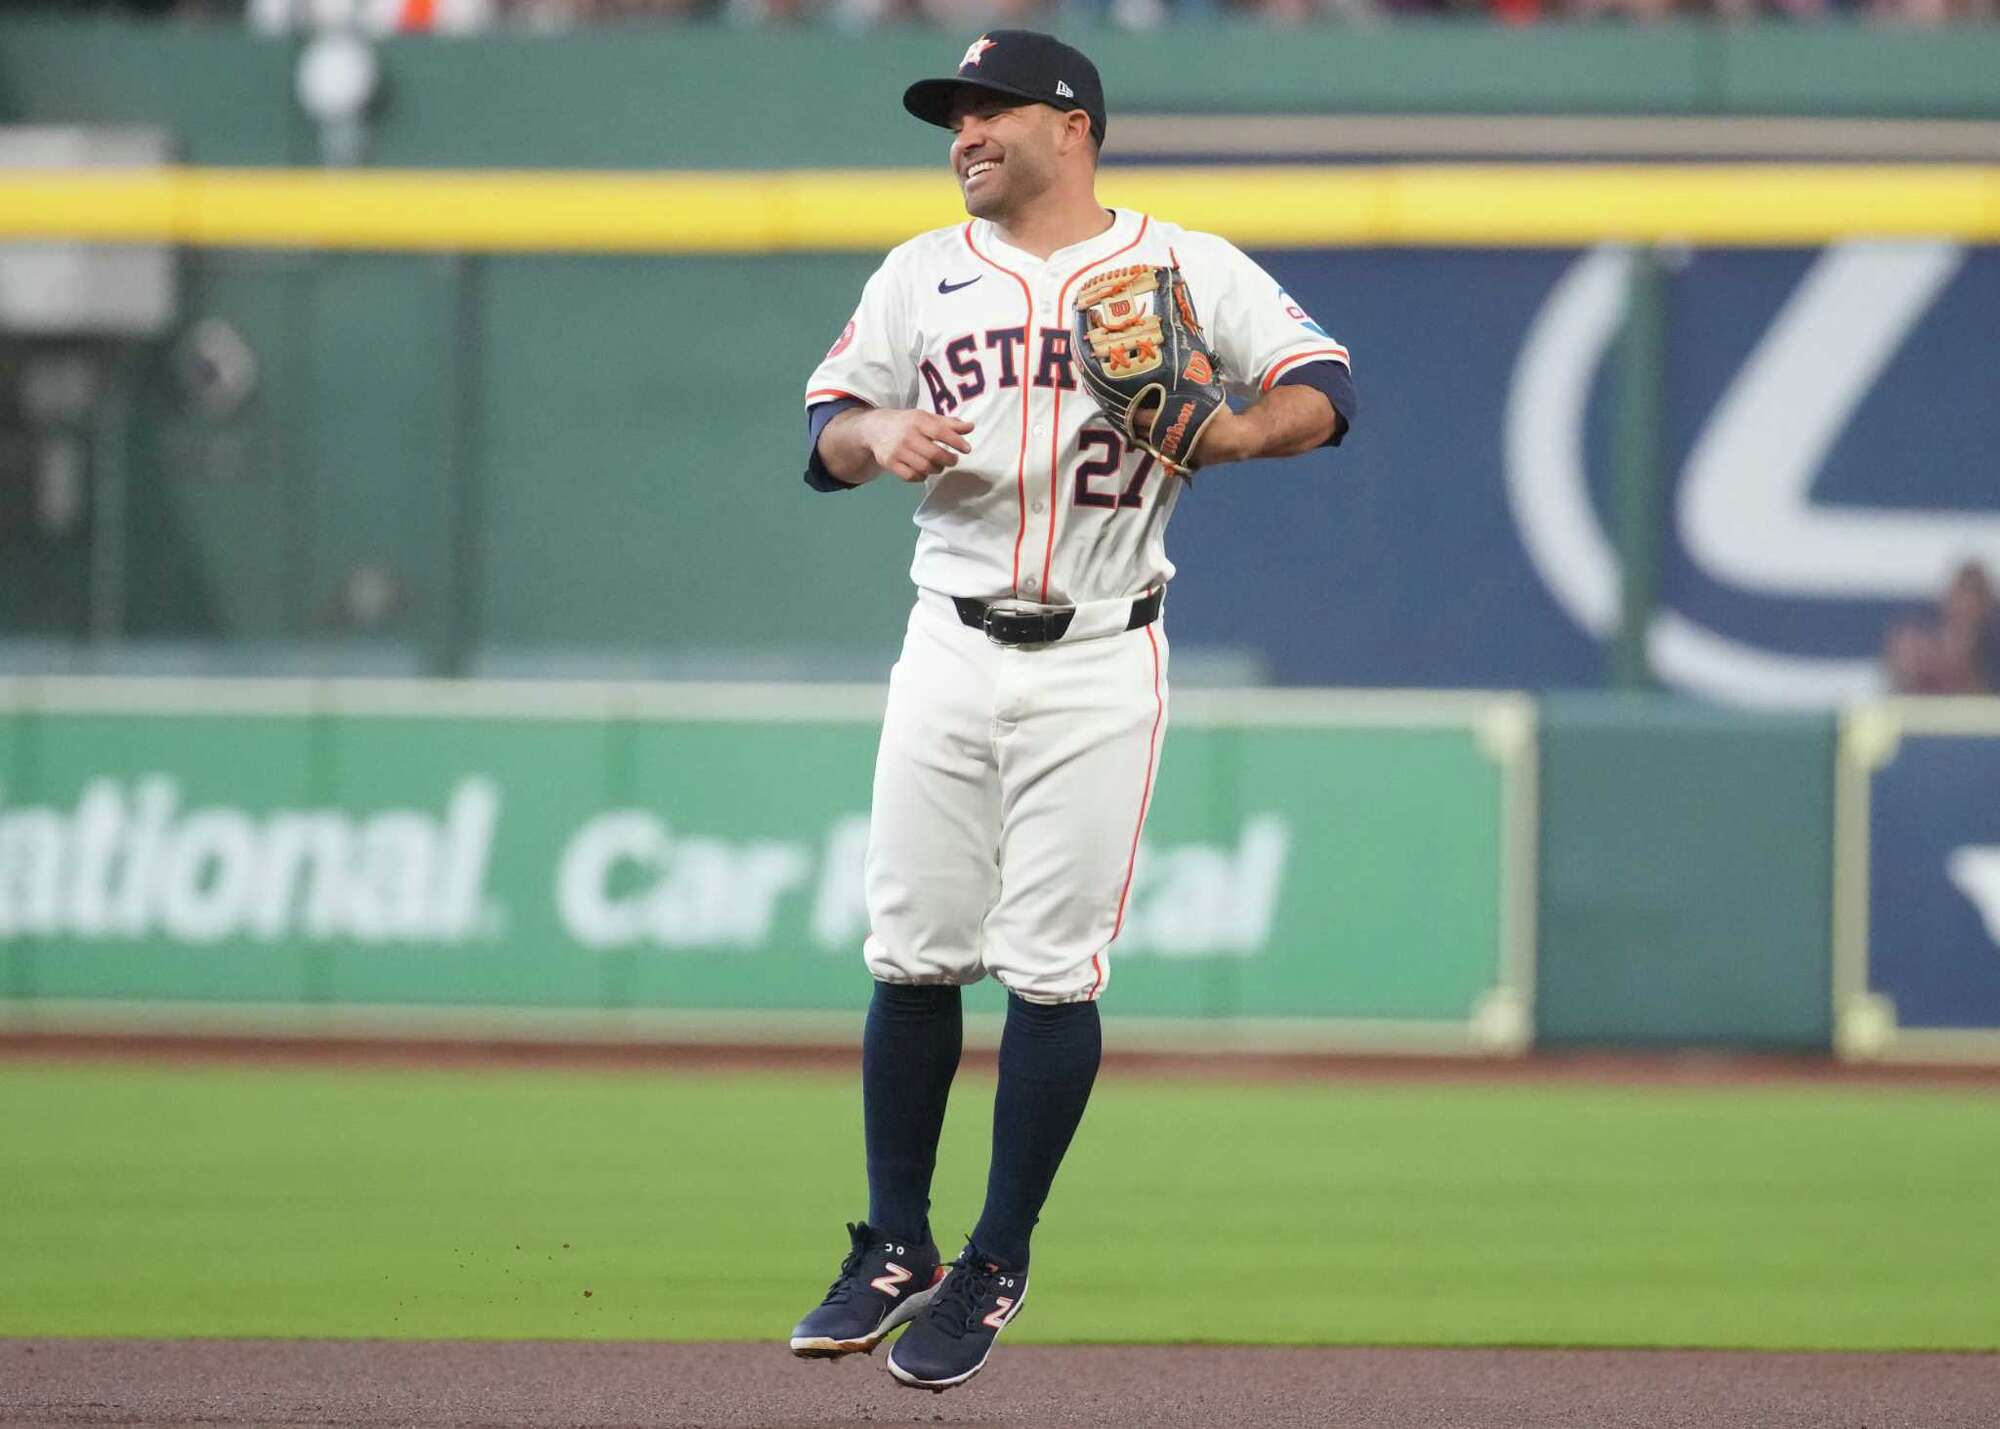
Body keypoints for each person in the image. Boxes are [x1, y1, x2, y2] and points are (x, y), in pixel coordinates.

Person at [786, 29, 1355, 1394]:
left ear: (1072, 124)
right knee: (911, 948)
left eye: (989, 111)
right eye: (953, 118)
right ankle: (894, 1241)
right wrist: (880, 439)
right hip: (948, 636)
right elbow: (825, 427)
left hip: (1103, 648)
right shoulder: (919, 272)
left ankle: (994, 1255)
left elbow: (1324, 392)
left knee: (1050, 966)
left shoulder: (1182, 265)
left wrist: (1231, 431)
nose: (963, 134)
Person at [1884, 560, 1997, 696]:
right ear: (1948, 597)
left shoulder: (1991, 655)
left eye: (1975, 595)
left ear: (1987, 604)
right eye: (1962, 593)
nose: (1967, 603)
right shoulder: (1915, 646)